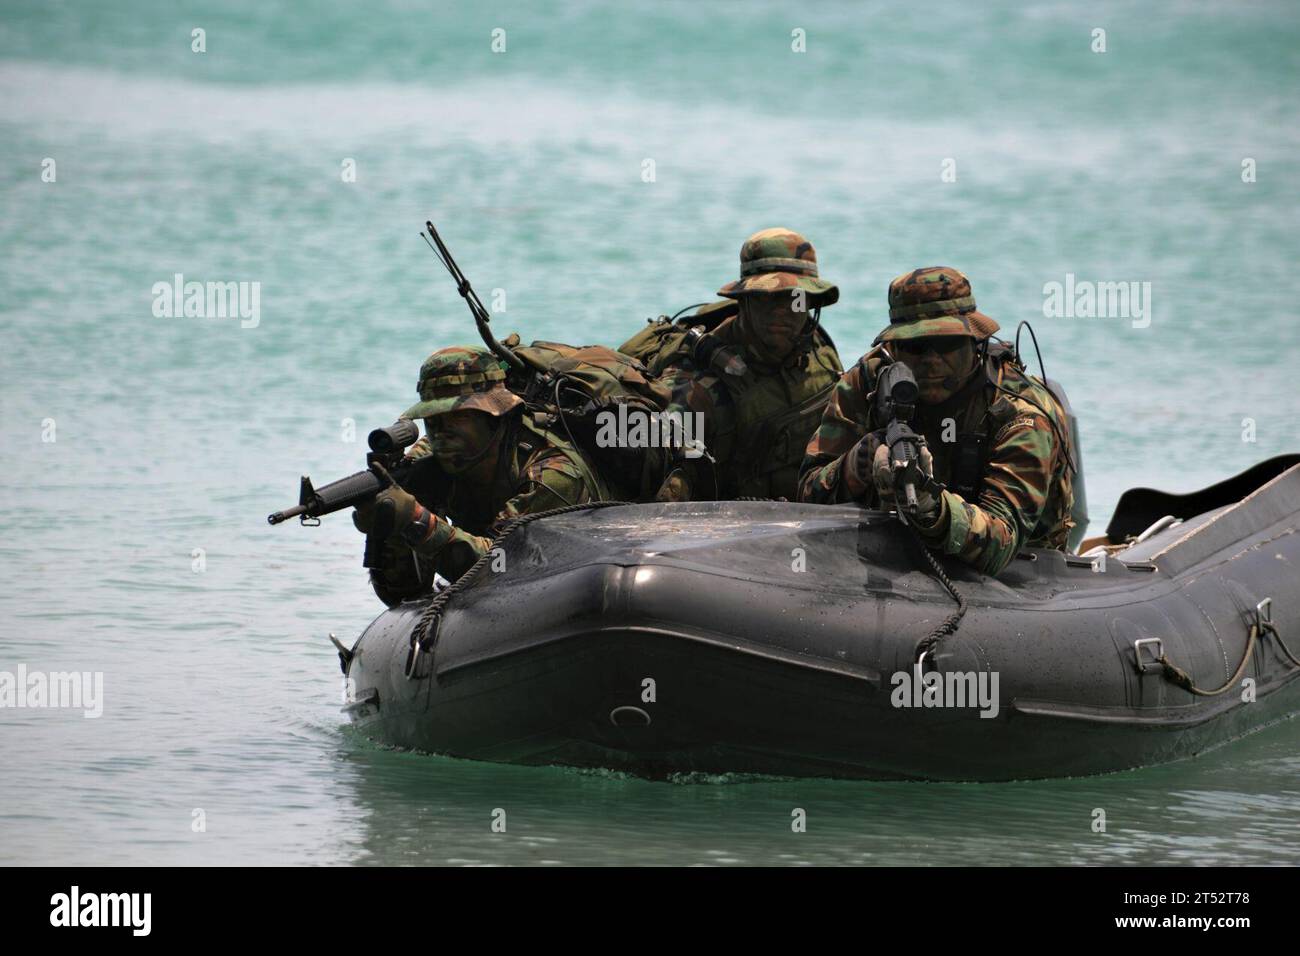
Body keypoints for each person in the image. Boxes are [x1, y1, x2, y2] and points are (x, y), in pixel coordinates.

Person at [799, 266, 1075, 576]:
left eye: (947, 345)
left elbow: (1001, 543)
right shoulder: (869, 381)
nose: (931, 360)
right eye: (915, 347)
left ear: (975, 342)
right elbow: (807, 493)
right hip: (898, 558)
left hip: (1022, 580)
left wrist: (931, 505)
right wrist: (856, 466)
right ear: (893, 347)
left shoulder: (1020, 412)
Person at [354, 345, 619, 605]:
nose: (441, 433)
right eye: (433, 421)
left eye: (457, 417)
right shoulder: (430, 459)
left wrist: (416, 521)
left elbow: (504, 568)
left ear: (496, 417)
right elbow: (401, 593)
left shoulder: (552, 473)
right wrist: (387, 526)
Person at [654, 227, 843, 501]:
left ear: (811, 302)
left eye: (795, 298)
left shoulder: (821, 355)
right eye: (767, 297)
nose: (782, 309)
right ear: (744, 301)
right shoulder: (698, 388)